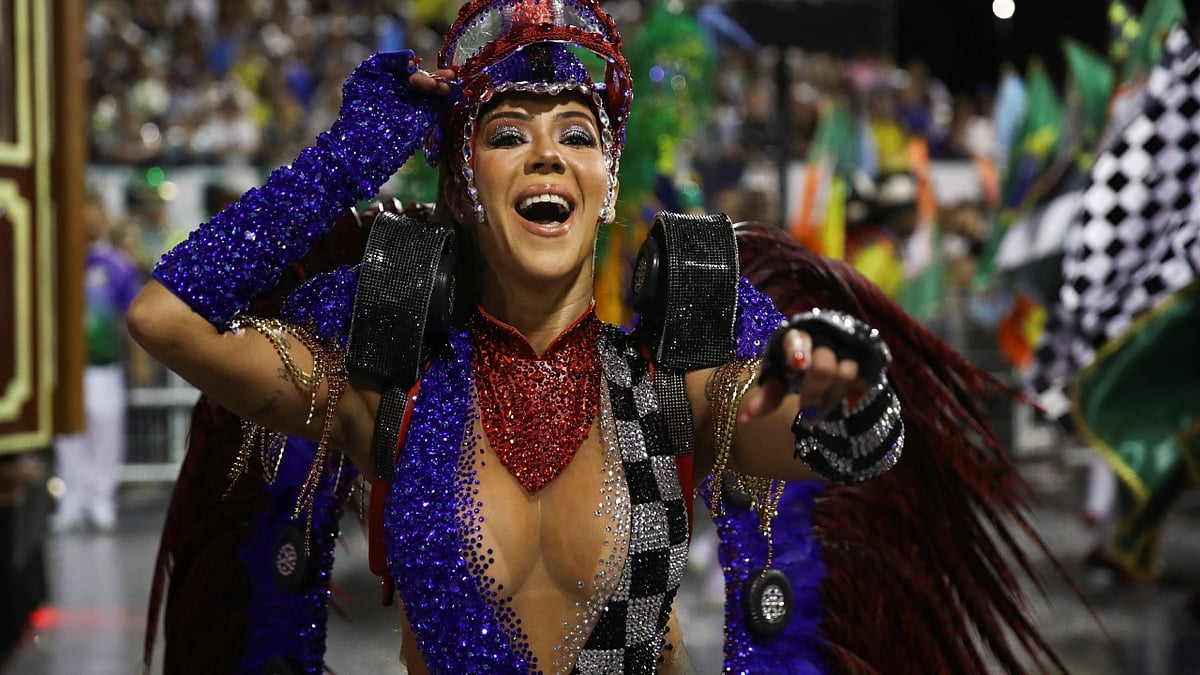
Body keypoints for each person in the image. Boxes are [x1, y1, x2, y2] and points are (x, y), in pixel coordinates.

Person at [130, 1, 1068, 672]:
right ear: (464, 187)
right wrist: (351, 155)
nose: (546, 153)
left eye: (577, 134)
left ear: (608, 183)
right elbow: (164, 318)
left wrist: (842, 394)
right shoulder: (389, 396)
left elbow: (818, 437)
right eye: (508, 134)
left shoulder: (669, 390)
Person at [53, 195, 144, 534]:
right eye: (83, 216)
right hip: (66, 368)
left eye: (95, 216)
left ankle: (101, 498)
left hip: (104, 366)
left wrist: (140, 360)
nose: (89, 223)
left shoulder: (117, 265)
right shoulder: (58, 261)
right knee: (69, 436)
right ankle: (72, 500)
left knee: (106, 433)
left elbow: (134, 315)